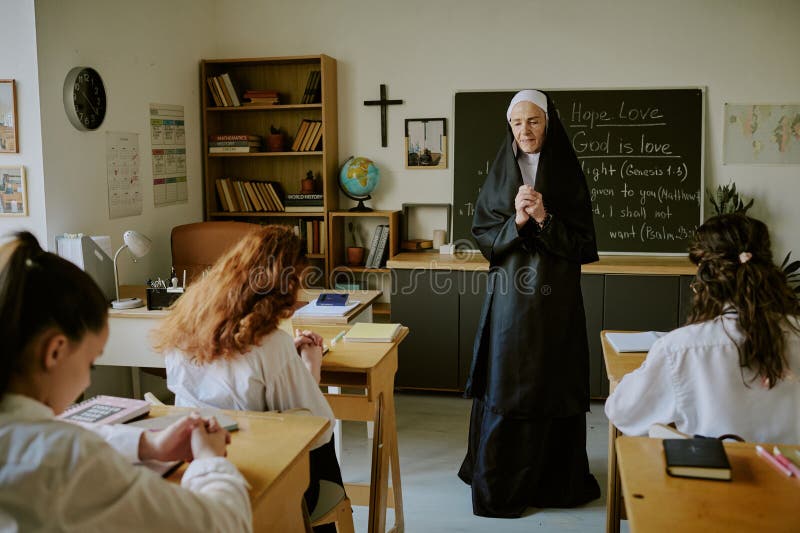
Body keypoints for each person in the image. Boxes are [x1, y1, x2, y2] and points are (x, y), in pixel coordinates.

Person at [0, 232, 251, 532]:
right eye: (90, 363)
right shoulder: (67, 462)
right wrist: (209, 462)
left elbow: (68, 432)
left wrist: (148, 444)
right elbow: (224, 524)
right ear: (55, 351)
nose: (86, 380)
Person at [458, 90, 601, 517]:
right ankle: (499, 479)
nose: (525, 130)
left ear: (548, 123)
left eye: (533, 121)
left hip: (556, 301)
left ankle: (553, 483)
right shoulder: (500, 172)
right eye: (518, 123)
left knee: (552, 379)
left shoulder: (568, 175)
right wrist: (516, 222)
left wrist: (544, 219)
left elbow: (583, 245)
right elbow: (485, 239)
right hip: (510, 302)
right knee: (508, 380)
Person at [153, 225, 343, 530]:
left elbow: (233, 373)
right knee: (323, 444)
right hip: (264, 480)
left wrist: (283, 361)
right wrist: (310, 365)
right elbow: (316, 428)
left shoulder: (182, 328)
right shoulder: (272, 346)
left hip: (197, 468)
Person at [605, 214, 800, 443]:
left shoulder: (681, 348)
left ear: (706, 276)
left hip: (713, 475)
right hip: (789, 476)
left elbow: (622, 412)